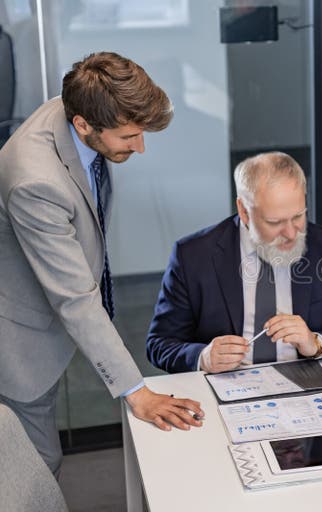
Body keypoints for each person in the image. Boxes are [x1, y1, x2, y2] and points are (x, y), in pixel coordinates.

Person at [0, 52, 203, 477]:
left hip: (49, 308)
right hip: (19, 339)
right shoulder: (36, 182)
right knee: (35, 470)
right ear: (83, 125)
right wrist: (136, 392)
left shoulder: (81, 103)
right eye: (129, 136)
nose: (140, 147)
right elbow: (74, 298)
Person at [146, 152, 322, 374]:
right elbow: (159, 344)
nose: (291, 233)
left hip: (308, 381)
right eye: (275, 222)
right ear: (244, 211)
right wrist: (203, 357)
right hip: (227, 383)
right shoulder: (193, 255)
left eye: (298, 216)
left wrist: (316, 343)